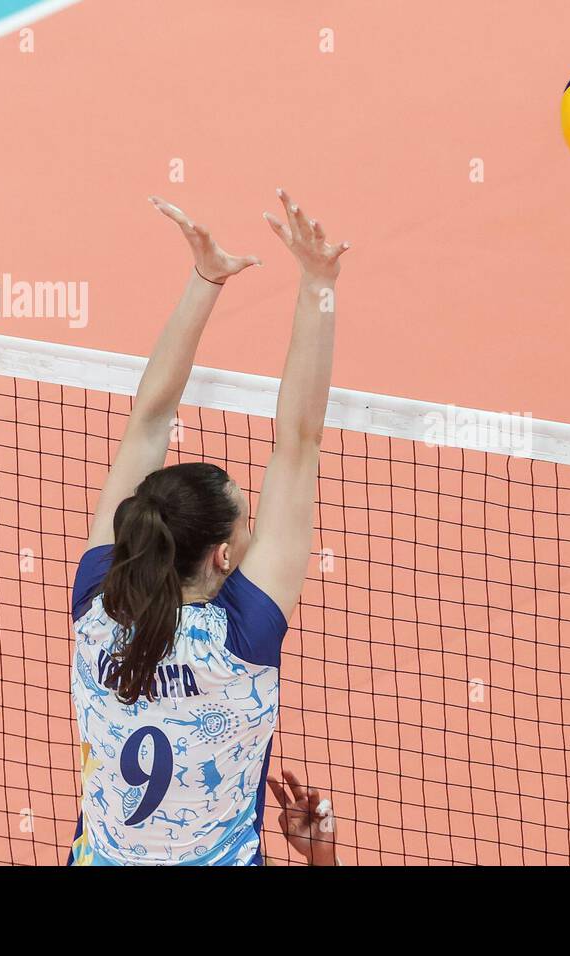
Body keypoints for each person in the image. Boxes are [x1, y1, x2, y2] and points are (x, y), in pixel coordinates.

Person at [67, 190, 349, 865]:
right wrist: (319, 285)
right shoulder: (245, 634)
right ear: (224, 555)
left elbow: (148, 421)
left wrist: (204, 281)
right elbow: (299, 443)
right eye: (249, 523)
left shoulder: (98, 604)